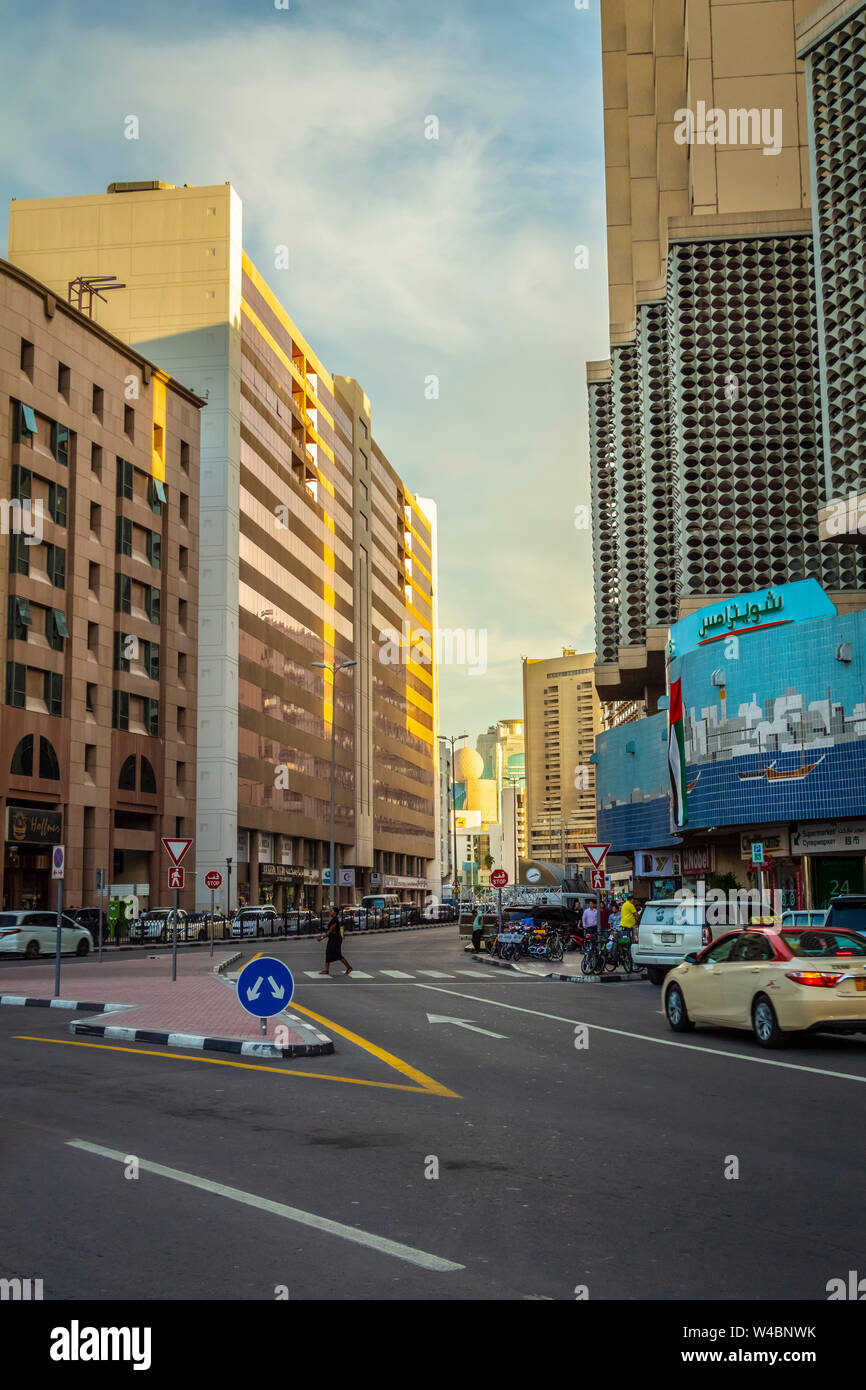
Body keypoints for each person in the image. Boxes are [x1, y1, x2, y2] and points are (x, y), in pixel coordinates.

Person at [317, 906, 352, 976]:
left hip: (336, 939)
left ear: (335, 912)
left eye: (331, 911)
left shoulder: (335, 920)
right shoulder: (333, 919)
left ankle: (349, 967)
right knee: (328, 952)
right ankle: (326, 970)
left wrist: (322, 937)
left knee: (338, 955)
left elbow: (331, 930)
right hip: (332, 939)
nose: (330, 912)